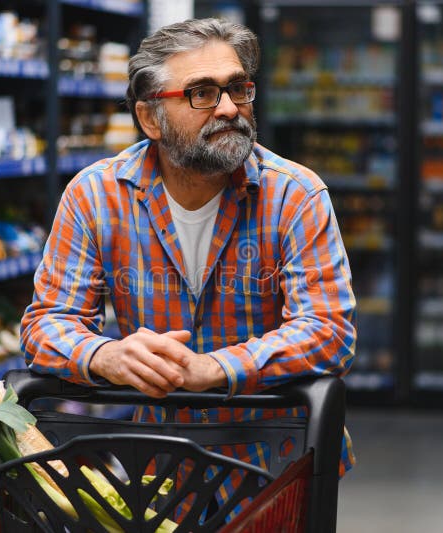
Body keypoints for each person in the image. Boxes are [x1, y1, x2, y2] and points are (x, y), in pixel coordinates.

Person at [20, 16, 357, 506]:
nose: (228, 108)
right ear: (150, 118)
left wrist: (216, 368)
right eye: (201, 93)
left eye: (238, 89)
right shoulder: (95, 196)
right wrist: (104, 355)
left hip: (278, 464)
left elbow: (329, 331)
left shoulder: (295, 195)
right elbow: (46, 323)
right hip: (158, 467)